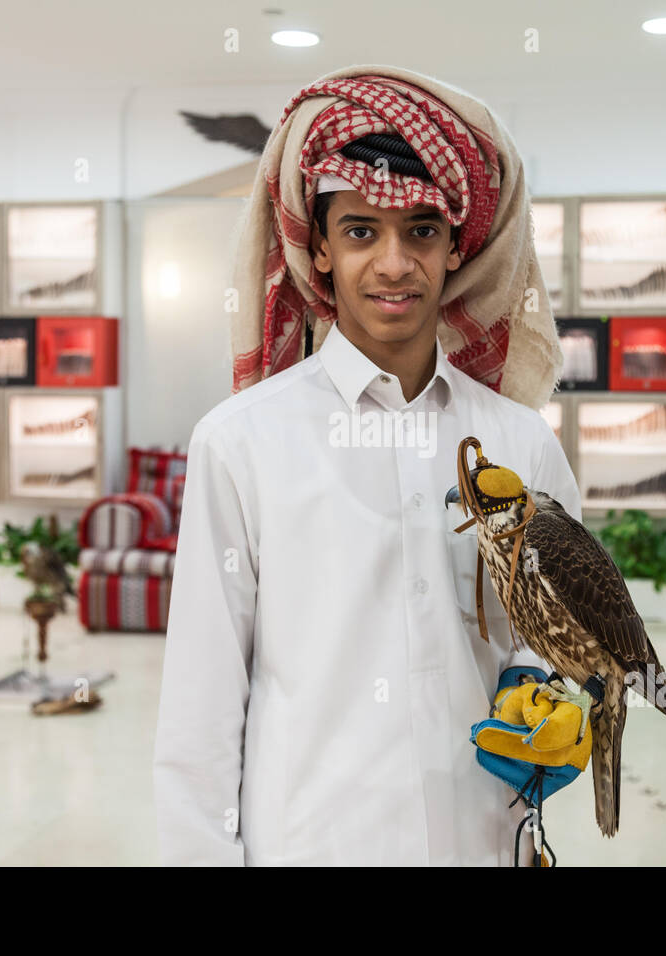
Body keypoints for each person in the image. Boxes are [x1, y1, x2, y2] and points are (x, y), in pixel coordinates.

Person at [153, 65, 582, 865]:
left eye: (421, 230)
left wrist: (555, 695)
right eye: (361, 231)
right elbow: (200, 709)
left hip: (481, 842)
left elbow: (551, 644)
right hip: (311, 844)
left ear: (458, 245)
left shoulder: (523, 446)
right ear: (318, 246)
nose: (393, 263)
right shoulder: (240, 443)